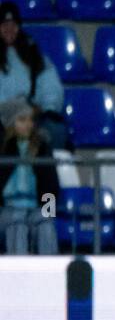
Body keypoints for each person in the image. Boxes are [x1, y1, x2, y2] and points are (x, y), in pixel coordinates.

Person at [0, 3, 65, 148]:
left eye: (13, 25)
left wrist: (48, 107)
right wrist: (13, 112)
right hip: (3, 118)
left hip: (32, 116)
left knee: (55, 131)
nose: (9, 29)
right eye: (4, 25)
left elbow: (50, 85)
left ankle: (43, 169)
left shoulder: (34, 54)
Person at [0, 98, 57, 254]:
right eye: (22, 120)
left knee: (46, 225)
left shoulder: (42, 147)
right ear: (10, 123)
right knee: (18, 223)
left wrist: (49, 213)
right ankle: (19, 275)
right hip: (6, 210)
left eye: (30, 120)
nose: (28, 125)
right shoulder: (2, 149)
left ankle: (50, 273)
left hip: (34, 208)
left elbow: (51, 186)